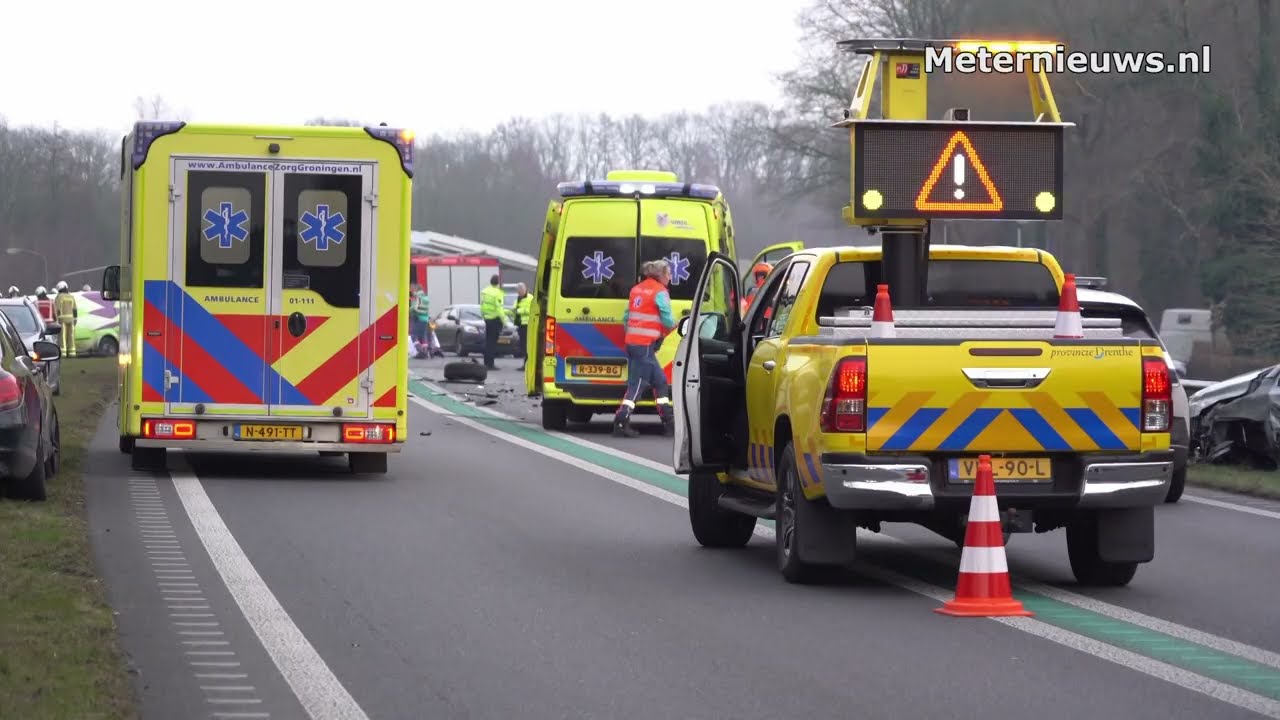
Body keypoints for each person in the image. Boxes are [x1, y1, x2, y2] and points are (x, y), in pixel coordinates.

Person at [613, 259, 677, 438]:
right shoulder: (660, 292)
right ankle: (621, 420)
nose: (670, 277)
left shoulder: (637, 289)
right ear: (661, 274)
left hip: (634, 343)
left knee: (660, 381)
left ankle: (669, 421)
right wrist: (676, 325)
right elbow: (667, 320)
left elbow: (626, 318)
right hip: (645, 344)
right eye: (669, 274)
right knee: (638, 384)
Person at [479, 273, 506, 370]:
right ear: (498, 282)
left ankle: (486, 362)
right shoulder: (498, 293)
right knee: (492, 343)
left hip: (487, 319)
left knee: (488, 341)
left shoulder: (485, 291)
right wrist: (504, 321)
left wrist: (483, 315)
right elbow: (499, 308)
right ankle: (490, 364)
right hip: (495, 319)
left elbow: (482, 305)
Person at [53, 281, 78, 357]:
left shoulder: (59, 297)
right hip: (71, 319)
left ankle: (63, 353)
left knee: (62, 337)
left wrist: (56, 320)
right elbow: (75, 309)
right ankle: (72, 352)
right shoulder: (71, 297)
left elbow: (57, 310)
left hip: (62, 320)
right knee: (71, 336)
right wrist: (75, 319)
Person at [409, 282, 430, 359]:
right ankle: (425, 352)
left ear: (415, 289)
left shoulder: (418, 297)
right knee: (423, 336)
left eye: (411, 289)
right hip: (425, 319)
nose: (411, 291)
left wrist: (409, 310)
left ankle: (420, 351)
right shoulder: (426, 298)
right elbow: (426, 309)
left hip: (418, 318)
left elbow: (414, 308)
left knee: (413, 335)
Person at [513, 283, 531, 371]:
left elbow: (531, 310)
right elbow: (514, 308)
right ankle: (525, 364)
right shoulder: (518, 298)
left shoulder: (530, 298)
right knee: (523, 346)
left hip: (528, 325)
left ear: (523, 290)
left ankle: (527, 365)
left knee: (527, 346)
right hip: (520, 325)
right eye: (518, 292)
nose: (518, 293)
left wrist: (519, 311)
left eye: (519, 291)